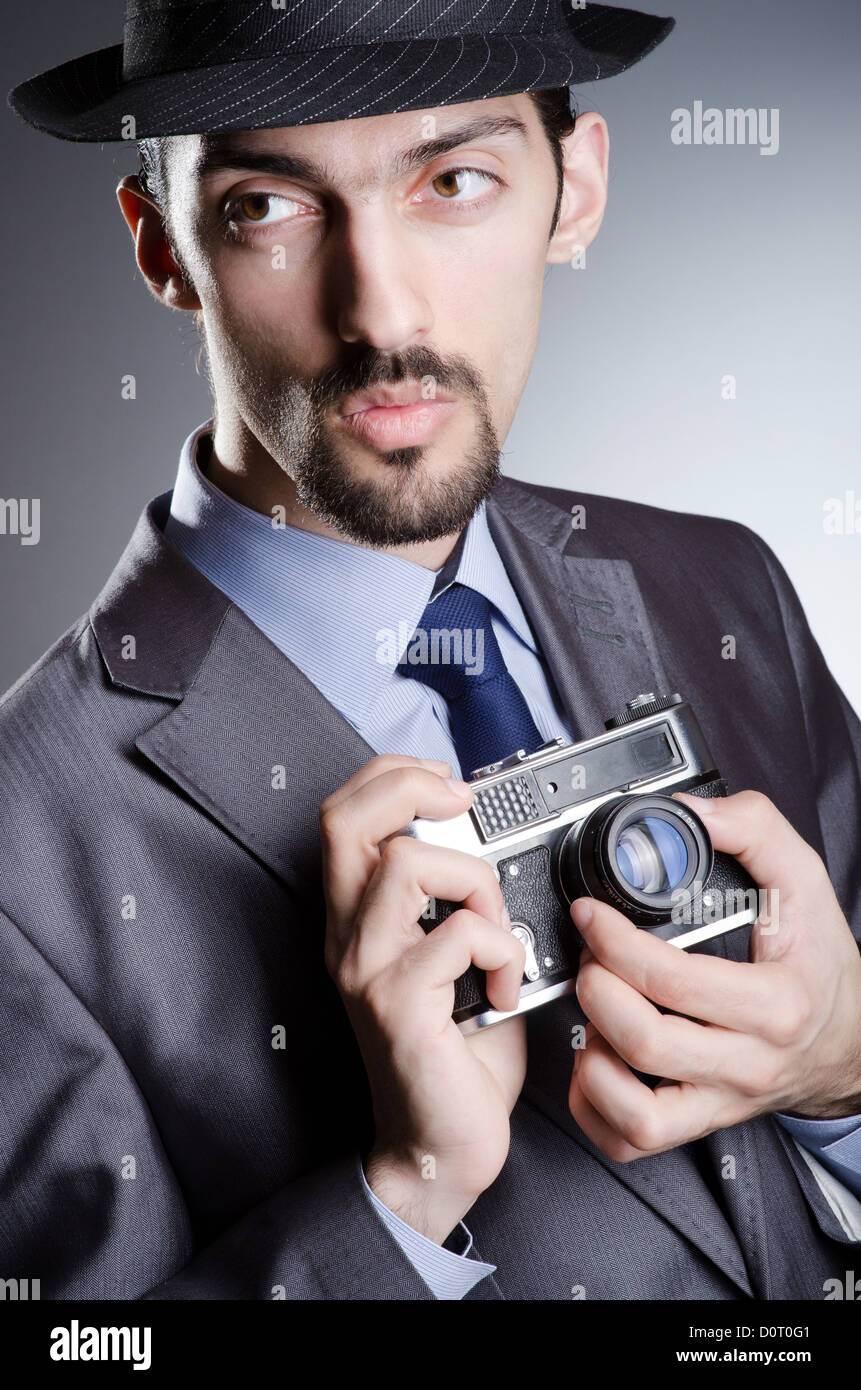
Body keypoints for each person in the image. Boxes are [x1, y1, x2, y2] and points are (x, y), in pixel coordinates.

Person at [3, 1, 860, 1300]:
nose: (380, 310)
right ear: (162, 244)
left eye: (454, 179)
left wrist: (840, 1069)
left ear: (572, 195)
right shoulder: (22, 850)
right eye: (265, 206)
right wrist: (398, 1200)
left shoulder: (719, 581)